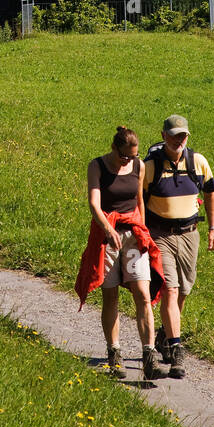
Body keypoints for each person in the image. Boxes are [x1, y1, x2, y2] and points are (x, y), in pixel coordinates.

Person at [75, 126, 166, 382]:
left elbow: (139, 201)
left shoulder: (138, 166)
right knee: (111, 295)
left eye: (133, 156)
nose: (129, 160)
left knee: (143, 294)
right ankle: (114, 353)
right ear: (114, 148)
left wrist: (144, 231)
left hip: (134, 233)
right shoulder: (97, 166)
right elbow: (94, 203)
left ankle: (149, 357)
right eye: (125, 156)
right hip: (107, 235)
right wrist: (107, 228)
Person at [142, 114, 214, 379]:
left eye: (183, 135)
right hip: (160, 235)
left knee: (184, 289)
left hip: (190, 235)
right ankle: (176, 350)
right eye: (174, 135)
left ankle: (165, 333)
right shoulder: (150, 165)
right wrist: (140, 234)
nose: (179, 140)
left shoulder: (197, 162)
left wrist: (212, 228)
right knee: (171, 290)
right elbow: (139, 200)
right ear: (163, 135)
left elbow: (210, 192)